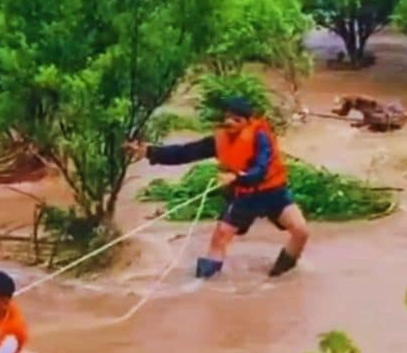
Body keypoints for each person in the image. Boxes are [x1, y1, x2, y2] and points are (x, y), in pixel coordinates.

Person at [125, 96, 310, 279]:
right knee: (220, 236)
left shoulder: (261, 138)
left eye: (236, 119)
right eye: (227, 118)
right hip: (244, 197)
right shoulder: (219, 139)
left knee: (301, 231)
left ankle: (279, 275)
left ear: (247, 122)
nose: (230, 123)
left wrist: (237, 177)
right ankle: (203, 283)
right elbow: (186, 152)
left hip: (272, 193)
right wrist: (150, 152)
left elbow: (260, 170)